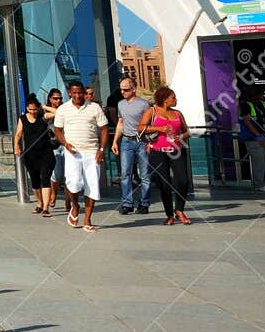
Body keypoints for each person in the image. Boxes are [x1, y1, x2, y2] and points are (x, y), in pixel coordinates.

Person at [53, 81, 107, 232]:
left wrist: (102, 149)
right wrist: (65, 143)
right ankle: (75, 206)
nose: (77, 95)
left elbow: (103, 129)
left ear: (84, 93)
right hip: (73, 151)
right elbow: (57, 130)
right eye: (74, 92)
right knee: (74, 182)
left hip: (92, 151)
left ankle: (87, 220)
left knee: (92, 185)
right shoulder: (63, 109)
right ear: (70, 93)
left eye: (80, 92)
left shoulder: (94, 107)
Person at [141, 86, 190, 225]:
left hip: (176, 150)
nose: (176, 100)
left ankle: (179, 209)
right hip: (158, 151)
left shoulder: (178, 113)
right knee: (164, 183)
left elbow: (187, 132)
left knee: (183, 180)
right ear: (165, 99)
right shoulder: (152, 111)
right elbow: (140, 128)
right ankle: (169, 214)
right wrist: (159, 128)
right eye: (173, 97)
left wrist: (181, 136)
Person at [112, 77, 151, 214]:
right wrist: (115, 141)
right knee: (125, 174)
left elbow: (149, 125)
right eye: (121, 89)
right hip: (126, 141)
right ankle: (127, 203)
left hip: (142, 141)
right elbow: (120, 123)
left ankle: (144, 203)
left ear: (134, 89)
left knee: (145, 174)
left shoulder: (144, 104)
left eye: (126, 89)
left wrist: (150, 142)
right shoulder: (121, 104)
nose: (123, 92)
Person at [13, 94, 57, 216]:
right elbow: (18, 134)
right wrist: (16, 146)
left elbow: (59, 112)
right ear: (26, 108)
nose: (32, 112)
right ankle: (39, 203)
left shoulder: (43, 117)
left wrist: (44, 106)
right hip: (30, 154)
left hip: (46, 152)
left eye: (35, 109)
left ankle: (46, 208)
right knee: (35, 181)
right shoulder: (22, 119)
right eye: (30, 109)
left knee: (45, 178)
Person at [238, 83, 265, 200]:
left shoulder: (262, 104)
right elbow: (247, 122)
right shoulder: (245, 105)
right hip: (253, 138)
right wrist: (258, 135)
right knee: (259, 161)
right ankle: (260, 184)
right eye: (261, 93)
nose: (263, 95)